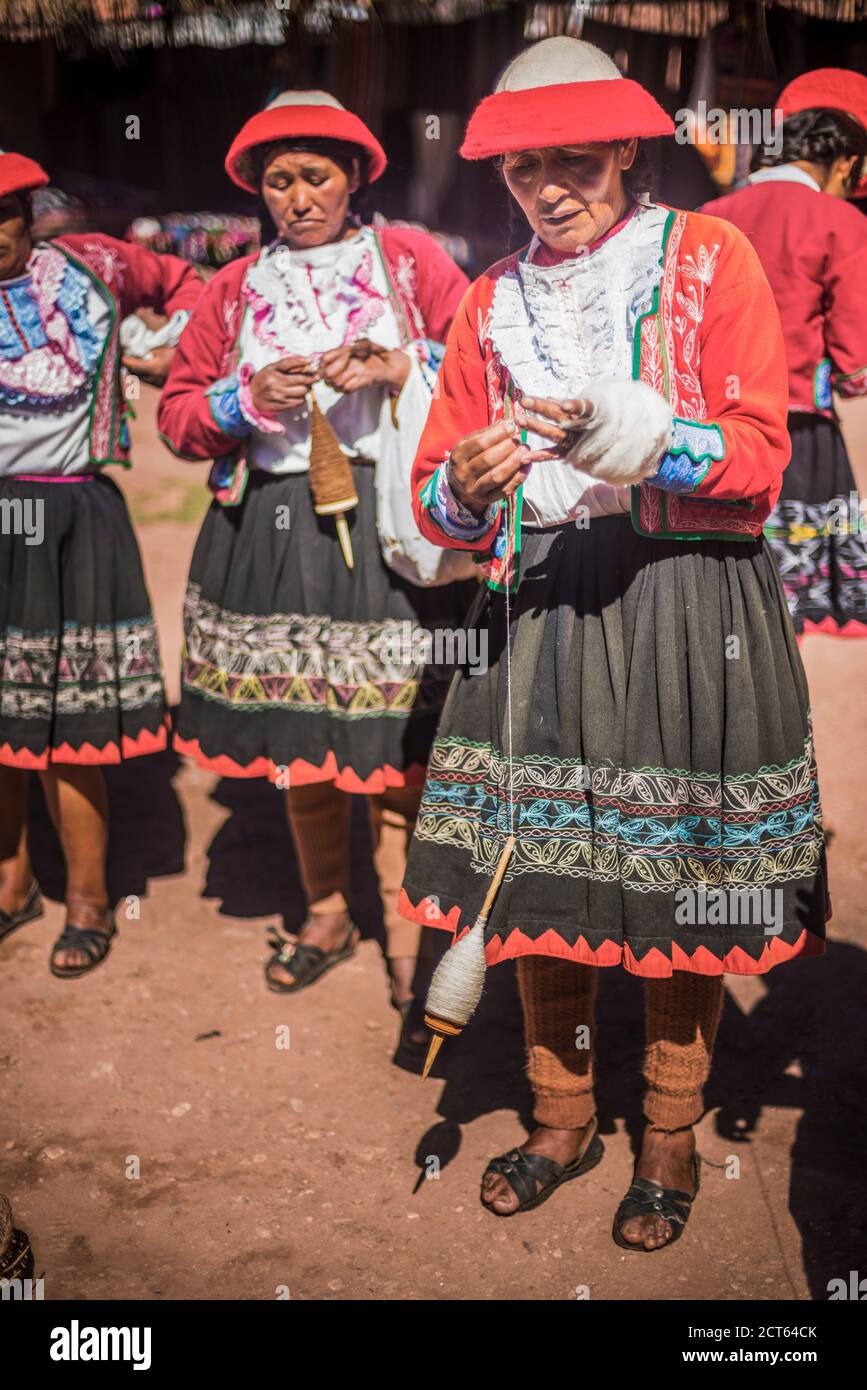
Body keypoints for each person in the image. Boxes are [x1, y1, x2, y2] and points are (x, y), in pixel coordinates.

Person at [398, 39, 829, 1250]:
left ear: (628, 152)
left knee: (680, 869)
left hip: (688, 597)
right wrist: (472, 486)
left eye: (573, 162)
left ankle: (671, 1129)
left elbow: (758, 453)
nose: (547, 188)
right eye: (523, 168)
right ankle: (560, 1112)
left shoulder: (710, 258)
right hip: (541, 602)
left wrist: (629, 437)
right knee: (539, 871)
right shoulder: (491, 304)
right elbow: (433, 496)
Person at [158, 93, 473, 1056]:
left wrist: (396, 369)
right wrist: (240, 396)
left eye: (316, 177)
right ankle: (328, 912)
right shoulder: (233, 288)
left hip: (390, 532)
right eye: (278, 180)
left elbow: (475, 361)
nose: (297, 197)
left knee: (400, 745)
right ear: (258, 191)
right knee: (303, 736)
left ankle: (417, 944)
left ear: (354, 180)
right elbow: (177, 416)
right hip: (273, 529)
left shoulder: (411, 262)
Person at [0, 150, 202, 978]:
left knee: (69, 728)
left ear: (28, 213)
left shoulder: (94, 265)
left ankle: (87, 900)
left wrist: (168, 353)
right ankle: (10, 885)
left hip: (73, 515)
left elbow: (191, 288)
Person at [703, 70, 867, 638]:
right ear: (846, 165)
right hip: (799, 437)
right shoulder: (841, 222)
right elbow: (855, 363)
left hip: (717, 435)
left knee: (730, 597)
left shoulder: (710, 217)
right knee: (801, 609)